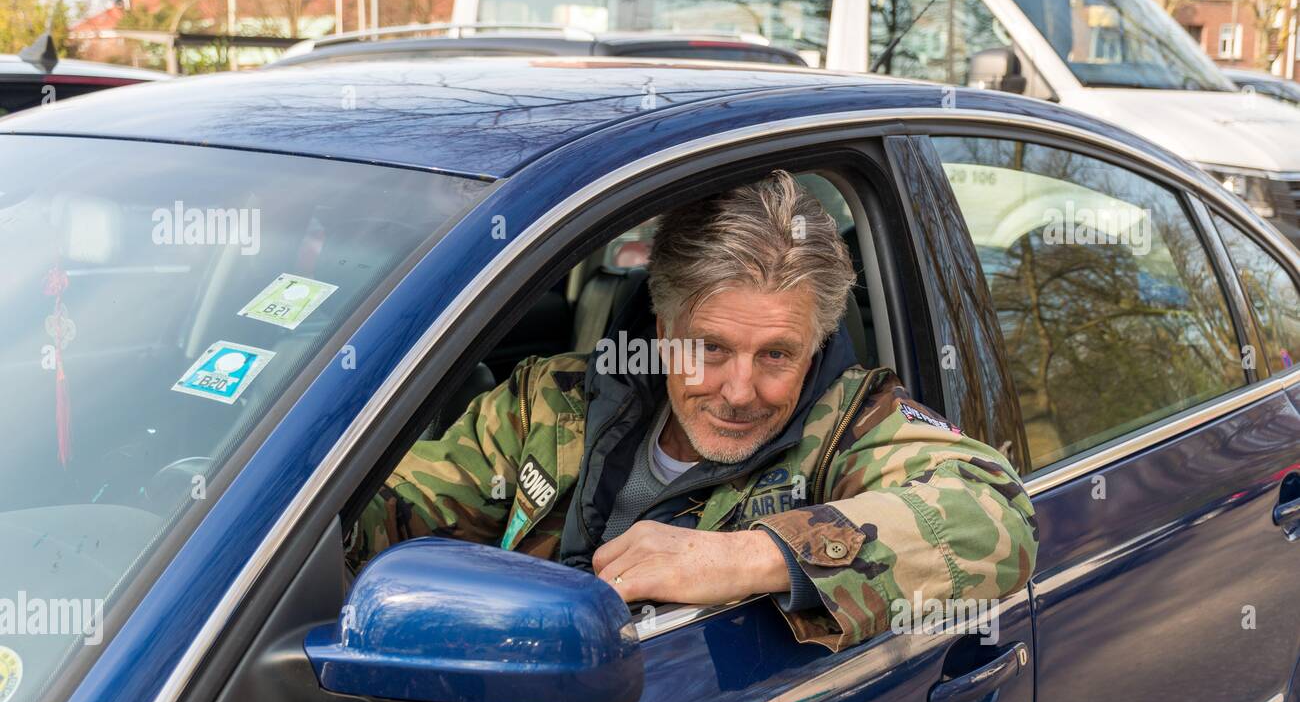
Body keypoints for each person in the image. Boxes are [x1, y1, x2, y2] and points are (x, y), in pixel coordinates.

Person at [347, 170, 1038, 652]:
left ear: (817, 342)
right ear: (662, 326)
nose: (739, 391)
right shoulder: (548, 400)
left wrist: (745, 558)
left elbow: (996, 516)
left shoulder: (850, 427)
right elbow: (371, 516)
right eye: (708, 348)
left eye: (776, 355)